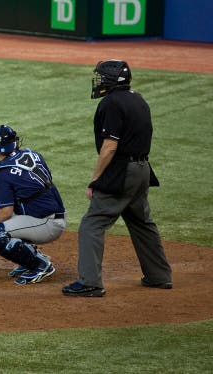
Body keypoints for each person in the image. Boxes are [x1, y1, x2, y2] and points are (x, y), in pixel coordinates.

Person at [63, 61, 172, 297]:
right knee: (142, 223)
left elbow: (110, 146)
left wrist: (96, 179)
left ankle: (90, 282)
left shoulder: (112, 103)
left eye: (103, 77)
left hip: (122, 171)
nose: (99, 81)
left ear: (113, 80)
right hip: (143, 169)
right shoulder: (138, 99)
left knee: (92, 223)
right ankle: (159, 276)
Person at [0, 125, 66, 285]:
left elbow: (6, 212)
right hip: (54, 215)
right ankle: (28, 259)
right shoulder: (34, 155)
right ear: (15, 142)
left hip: (48, 223)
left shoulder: (0, 171)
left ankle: (40, 265)